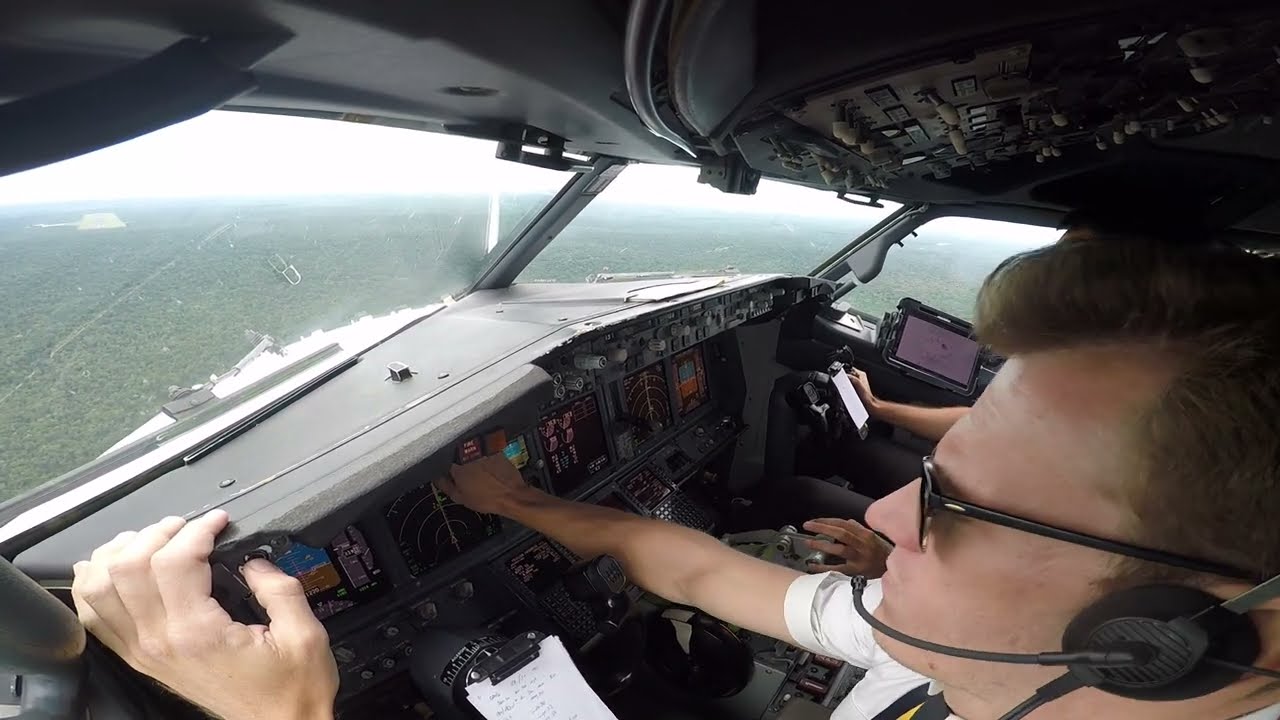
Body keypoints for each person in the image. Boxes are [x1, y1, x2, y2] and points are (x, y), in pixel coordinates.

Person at [71, 231, 1280, 720]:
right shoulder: (988, 645)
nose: (883, 511)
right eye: (933, 470)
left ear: (1176, 632)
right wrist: (523, 505)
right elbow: (696, 563)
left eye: (958, 503)